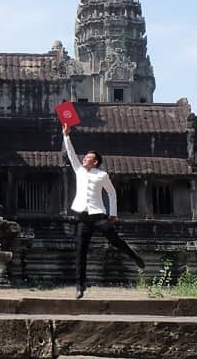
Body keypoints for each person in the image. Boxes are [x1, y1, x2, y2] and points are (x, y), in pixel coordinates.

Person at [63, 123, 145, 299]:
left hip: (98, 214)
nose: (84, 159)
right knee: (80, 251)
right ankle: (80, 285)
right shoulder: (79, 171)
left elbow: (112, 192)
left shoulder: (102, 175)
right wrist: (66, 135)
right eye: (84, 157)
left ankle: (133, 255)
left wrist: (113, 213)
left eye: (88, 158)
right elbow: (70, 154)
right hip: (83, 216)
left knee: (113, 238)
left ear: (96, 162)